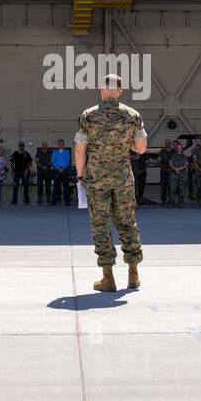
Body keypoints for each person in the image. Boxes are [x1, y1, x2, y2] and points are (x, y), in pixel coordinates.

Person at [74, 73, 147, 292]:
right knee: (127, 222)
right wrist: (125, 146)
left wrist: (80, 176)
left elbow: (80, 150)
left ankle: (108, 277)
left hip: (97, 180)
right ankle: (133, 274)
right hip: (123, 178)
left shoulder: (88, 115)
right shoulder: (133, 115)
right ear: (120, 91)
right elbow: (141, 147)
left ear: (101, 89)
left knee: (100, 225)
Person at [166, 141, 189, 207]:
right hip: (174, 175)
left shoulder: (185, 157)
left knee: (182, 189)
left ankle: (181, 202)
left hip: (182, 175)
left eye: (180, 147)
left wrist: (178, 169)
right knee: (173, 189)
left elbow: (186, 165)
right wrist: (175, 168)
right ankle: (172, 202)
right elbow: (170, 163)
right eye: (178, 147)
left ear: (182, 148)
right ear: (176, 149)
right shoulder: (173, 156)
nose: (179, 148)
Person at [49, 141, 71, 206]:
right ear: (57, 145)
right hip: (56, 171)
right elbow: (53, 161)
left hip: (65, 171)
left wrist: (63, 168)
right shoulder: (54, 152)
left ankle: (67, 201)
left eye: (62, 144)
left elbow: (68, 161)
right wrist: (58, 168)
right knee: (56, 187)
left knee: (66, 187)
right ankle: (54, 202)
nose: (60, 145)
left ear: (63, 145)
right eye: (59, 144)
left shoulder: (66, 152)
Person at [35, 140, 53, 205]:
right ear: (42, 146)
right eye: (43, 145)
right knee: (40, 185)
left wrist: (47, 166)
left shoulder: (50, 153)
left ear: (47, 146)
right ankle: (39, 198)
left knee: (48, 185)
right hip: (40, 172)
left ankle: (48, 198)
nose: (44, 146)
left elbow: (51, 161)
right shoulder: (38, 152)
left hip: (48, 171)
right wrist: (42, 166)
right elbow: (37, 161)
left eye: (46, 145)